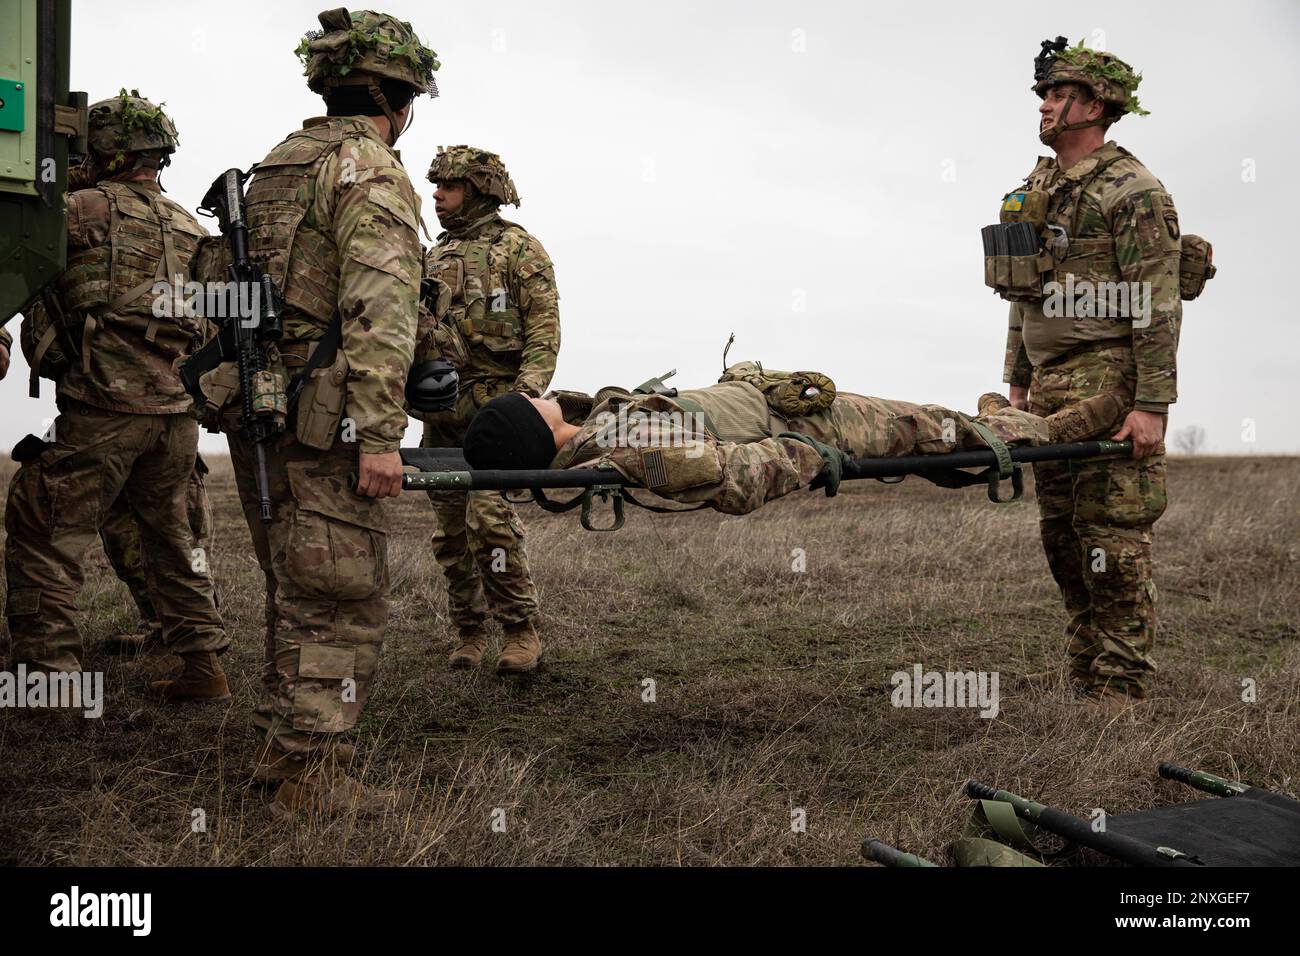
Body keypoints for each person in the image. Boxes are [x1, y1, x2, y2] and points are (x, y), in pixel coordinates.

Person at [194, 7, 437, 817]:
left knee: (294, 590)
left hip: (264, 412)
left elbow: (213, 296)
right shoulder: (367, 170)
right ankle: (310, 773)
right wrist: (379, 436)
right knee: (339, 596)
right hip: (326, 420)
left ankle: (280, 746)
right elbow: (381, 309)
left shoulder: (274, 170)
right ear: (399, 99)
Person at [1, 90, 228, 698]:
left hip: (105, 406)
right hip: (176, 416)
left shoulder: (77, 210)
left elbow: (13, 264)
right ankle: (203, 666)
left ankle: (49, 679)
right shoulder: (191, 226)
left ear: (103, 151)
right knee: (174, 543)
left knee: (46, 531)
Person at [996, 39, 1182, 704]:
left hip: (1109, 387)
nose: (1046, 105)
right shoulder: (1035, 191)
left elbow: (1158, 303)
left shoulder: (1134, 192)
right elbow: (1021, 294)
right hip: (1047, 391)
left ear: (1095, 104)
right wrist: (1016, 379)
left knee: (1113, 543)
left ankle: (1122, 687)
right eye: (1045, 95)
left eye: (1057, 93)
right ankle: (1086, 669)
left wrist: (1153, 405)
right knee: (1062, 538)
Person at [457, 361, 1127, 515]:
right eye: (531, 402)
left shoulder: (593, 429)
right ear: (534, 428)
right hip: (812, 428)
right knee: (935, 432)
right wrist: (813, 455)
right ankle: (1050, 426)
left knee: (933, 423)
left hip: (775, 406)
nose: (541, 393)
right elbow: (736, 479)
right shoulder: (633, 448)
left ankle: (1000, 420)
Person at [418, 146, 559, 674]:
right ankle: (469, 631)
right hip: (441, 413)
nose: (436, 196)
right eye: (436, 188)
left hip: (495, 410)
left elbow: (544, 332)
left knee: (490, 521)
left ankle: (521, 632)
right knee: (450, 534)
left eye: (447, 188)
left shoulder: (519, 249)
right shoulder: (431, 256)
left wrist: (522, 399)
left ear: (476, 191)